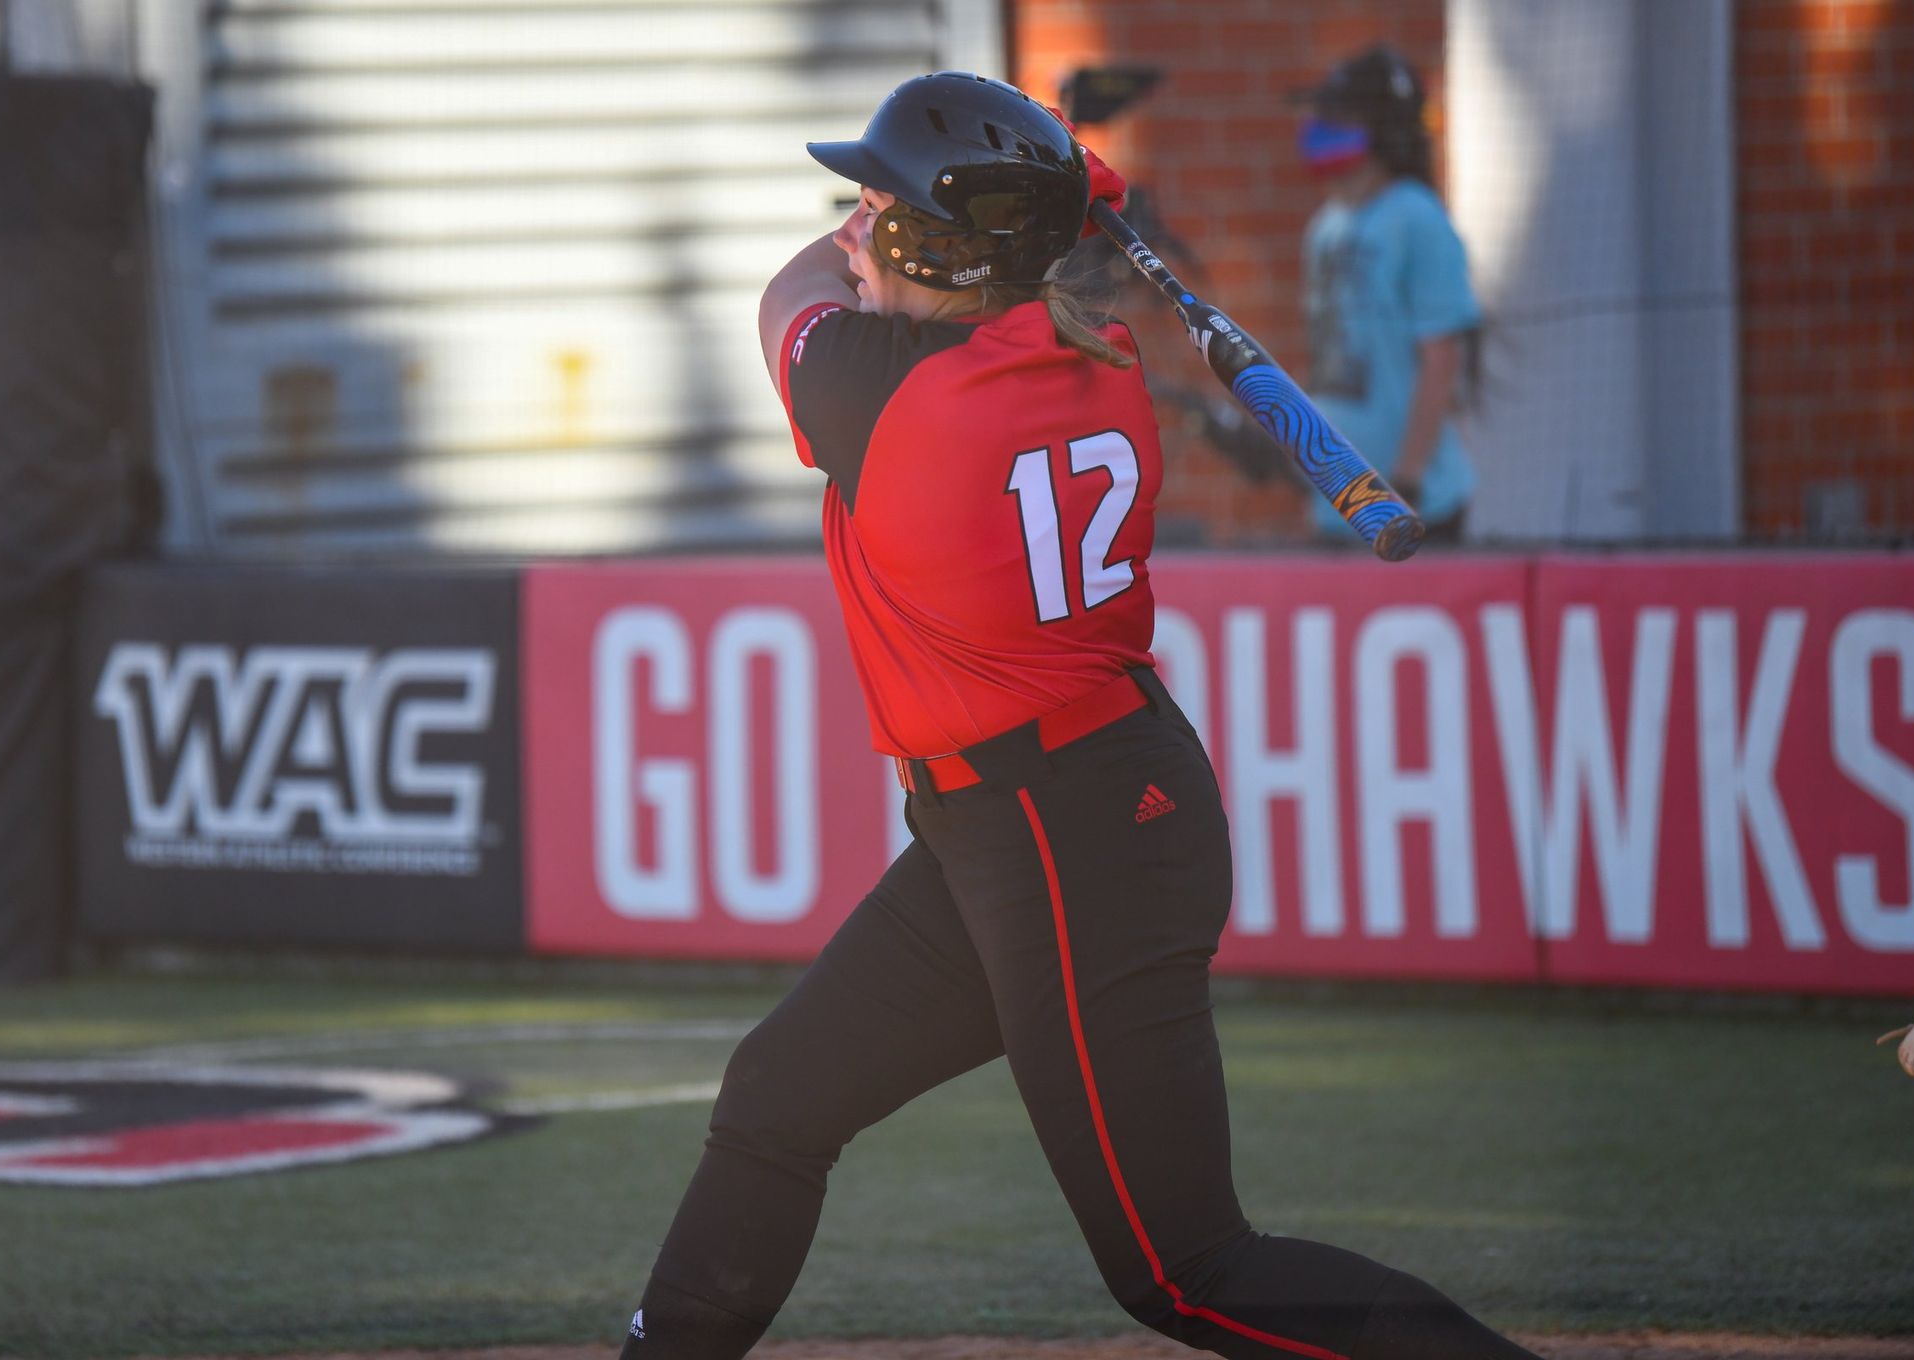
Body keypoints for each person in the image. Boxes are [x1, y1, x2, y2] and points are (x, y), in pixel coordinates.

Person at [615, 71, 1539, 1360]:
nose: (847, 232)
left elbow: (790, 297)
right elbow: (1010, 292)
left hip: (1071, 834)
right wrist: (1050, 209)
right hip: (1033, 820)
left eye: (872, 209)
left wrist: (1048, 204)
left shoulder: (881, 391)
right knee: (777, 1095)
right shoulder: (1095, 357)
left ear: (938, 246)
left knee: (1187, 1271)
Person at [1297, 46, 1481, 543]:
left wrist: (1408, 479)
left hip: (1412, 502)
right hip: (1335, 507)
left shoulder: (1417, 218)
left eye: (1342, 117)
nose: (1321, 127)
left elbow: (1442, 356)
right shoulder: (1324, 227)